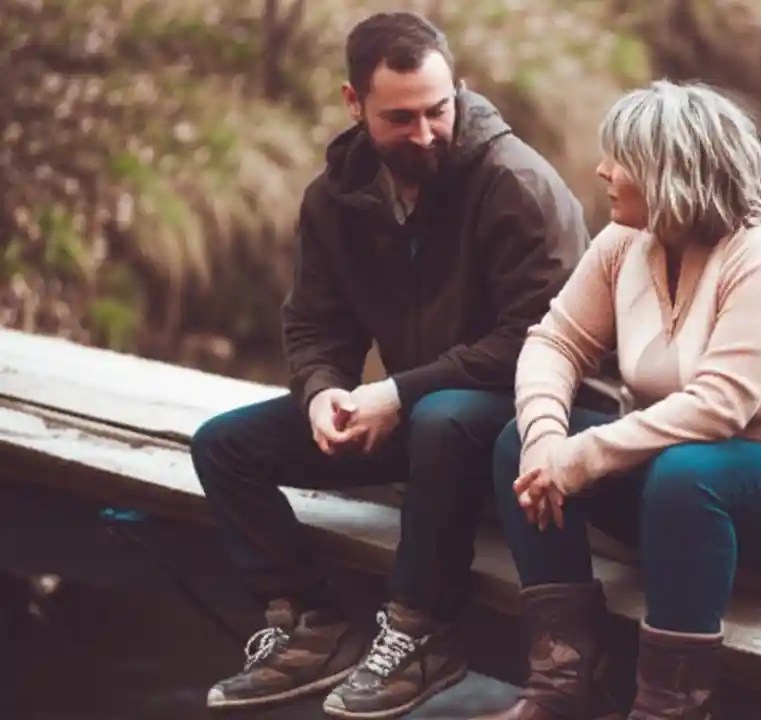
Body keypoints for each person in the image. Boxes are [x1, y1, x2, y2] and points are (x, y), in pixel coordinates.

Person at [189, 12, 587, 719]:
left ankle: (423, 630)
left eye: (439, 110)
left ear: (457, 90)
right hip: (422, 415)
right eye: (401, 119)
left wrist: (398, 392)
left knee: (440, 418)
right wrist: (321, 395)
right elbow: (314, 325)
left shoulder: (515, 185)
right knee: (223, 446)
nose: (427, 133)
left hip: (528, 417)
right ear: (354, 104)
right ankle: (313, 625)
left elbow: (542, 342)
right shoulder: (335, 200)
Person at [481, 80, 761, 720]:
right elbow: (555, 342)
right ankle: (564, 681)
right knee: (516, 443)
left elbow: (716, 408)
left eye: (620, 159)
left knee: (687, 470)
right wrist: (544, 438)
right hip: (687, 492)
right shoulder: (625, 242)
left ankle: (669, 708)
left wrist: (583, 455)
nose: (602, 171)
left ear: (671, 174)